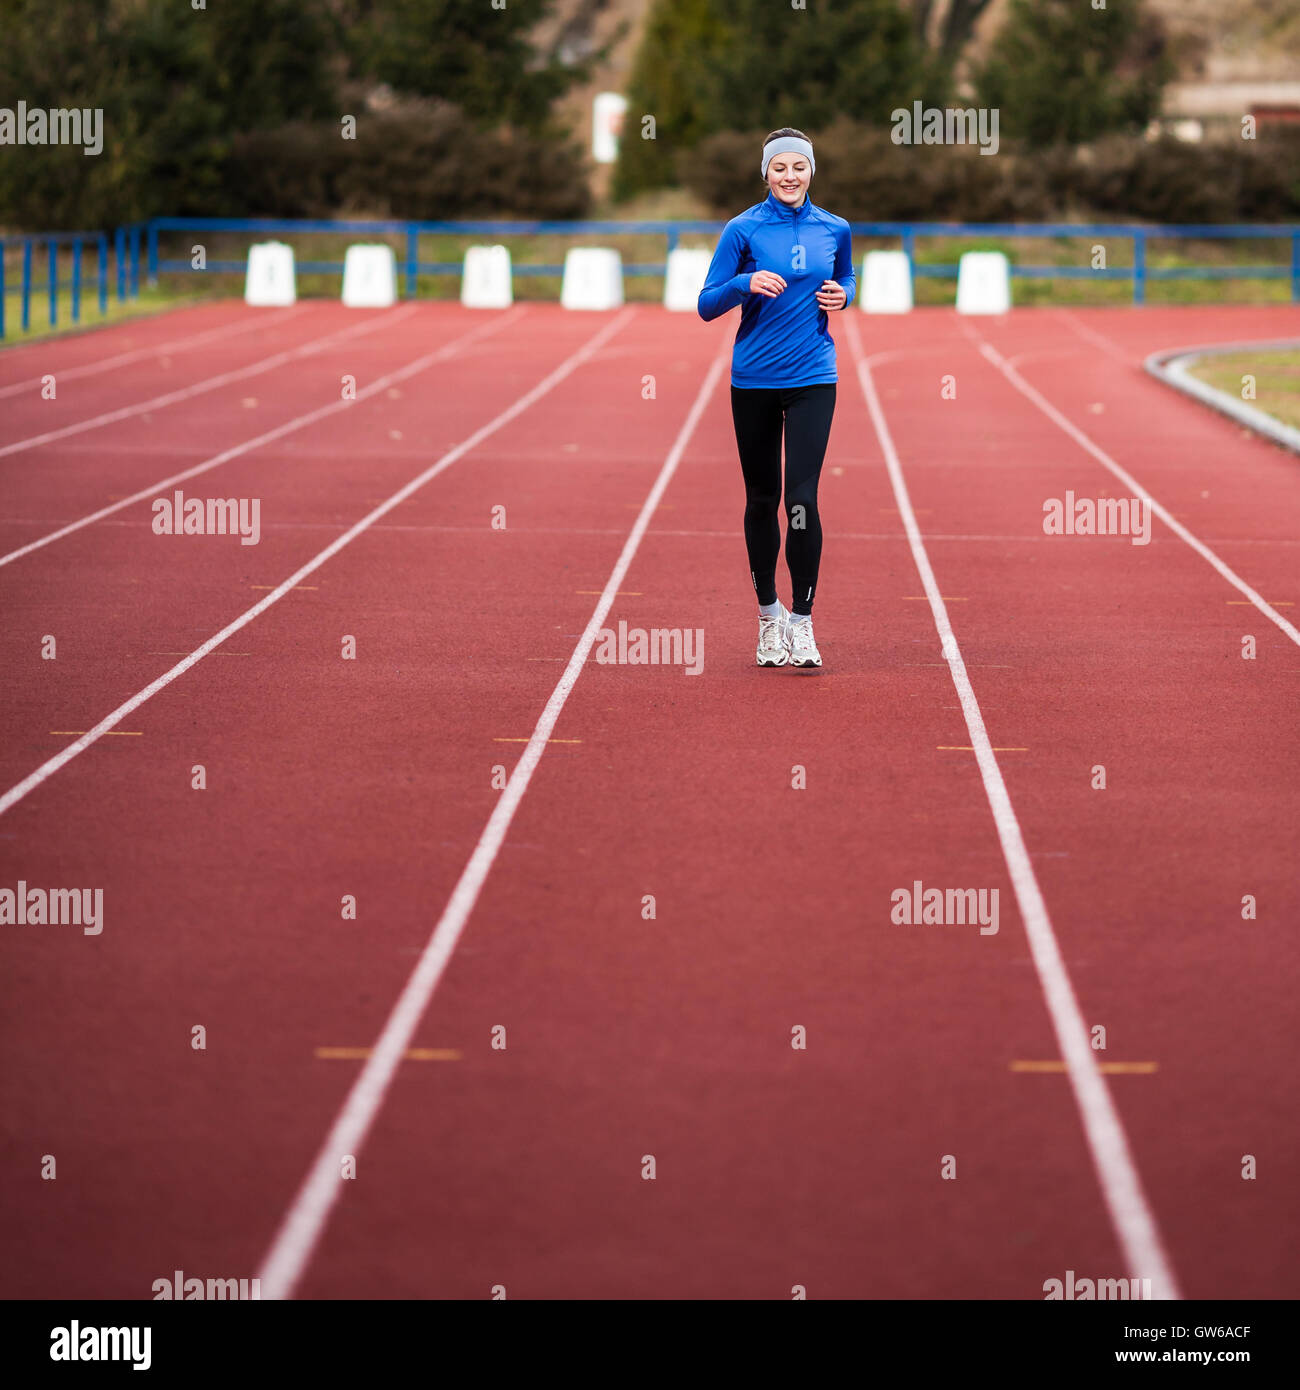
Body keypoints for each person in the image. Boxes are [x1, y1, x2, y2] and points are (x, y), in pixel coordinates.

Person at [697, 126, 855, 668]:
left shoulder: (835, 227)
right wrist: (745, 284)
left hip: (815, 376)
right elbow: (706, 304)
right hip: (755, 381)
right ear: (765, 173)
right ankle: (769, 617)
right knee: (763, 500)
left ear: (812, 170)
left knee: (802, 501)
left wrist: (845, 293)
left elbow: (847, 276)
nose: (790, 177)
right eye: (780, 168)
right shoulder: (742, 230)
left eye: (799, 167)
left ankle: (804, 623)